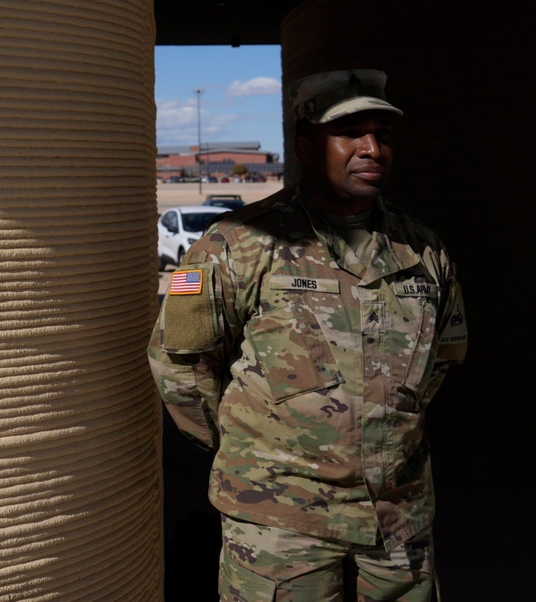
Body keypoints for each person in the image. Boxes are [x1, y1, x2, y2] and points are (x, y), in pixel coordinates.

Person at [148, 69, 468, 601]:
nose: (372, 148)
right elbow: (181, 365)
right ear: (304, 144)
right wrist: (247, 452)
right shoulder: (240, 243)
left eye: (383, 134)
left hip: (398, 523)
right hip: (279, 527)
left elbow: (441, 361)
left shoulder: (423, 249)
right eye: (350, 132)